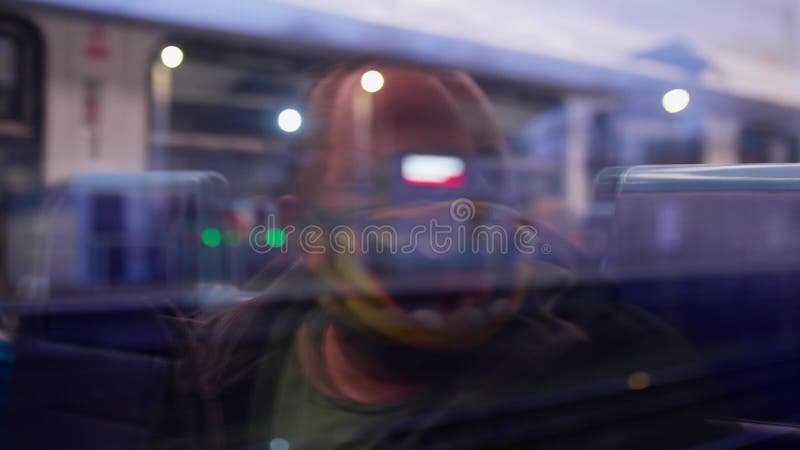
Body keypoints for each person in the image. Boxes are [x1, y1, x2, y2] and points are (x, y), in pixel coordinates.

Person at [154, 62, 714, 450]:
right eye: (397, 180)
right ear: (303, 229)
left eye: (484, 176)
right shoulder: (218, 364)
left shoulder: (604, 385)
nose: (454, 213)